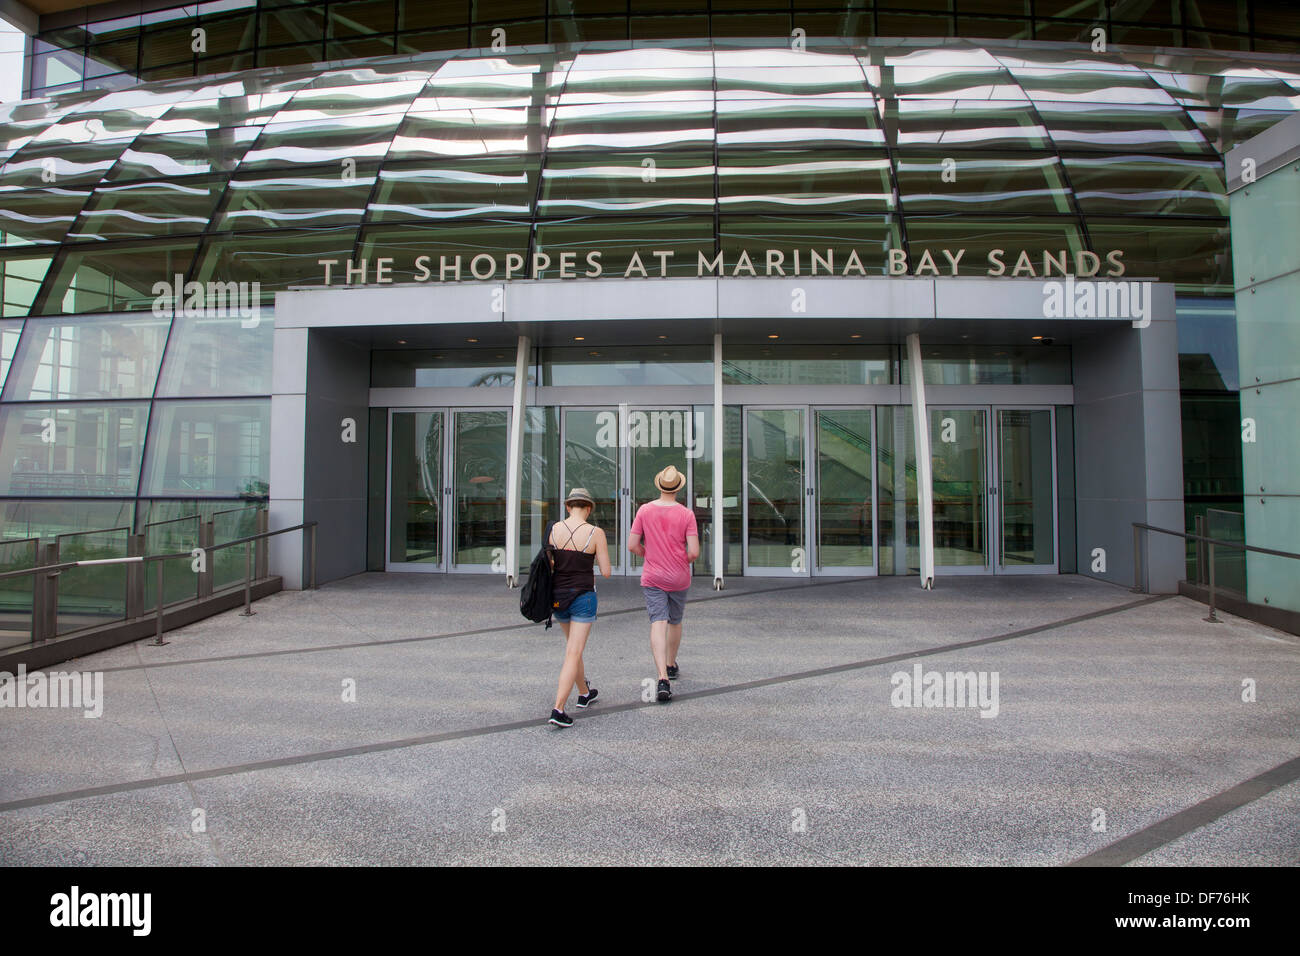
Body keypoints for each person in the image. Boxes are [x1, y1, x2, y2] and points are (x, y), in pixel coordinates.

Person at [627, 465, 699, 703]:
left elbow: (632, 545)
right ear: (678, 488)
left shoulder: (645, 511)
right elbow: (694, 552)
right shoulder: (686, 514)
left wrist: (646, 553)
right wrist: (682, 558)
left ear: (660, 485)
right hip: (679, 576)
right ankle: (670, 665)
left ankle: (661, 679)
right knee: (675, 621)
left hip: (653, 576)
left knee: (658, 622)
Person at [548, 488, 611, 728]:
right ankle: (558, 708)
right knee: (573, 652)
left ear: (568, 506)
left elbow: (550, 564)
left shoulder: (554, 530)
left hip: (558, 598)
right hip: (583, 597)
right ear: (589, 508)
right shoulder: (595, 533)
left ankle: (584, 692)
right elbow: (606, 572)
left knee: (573, 648)